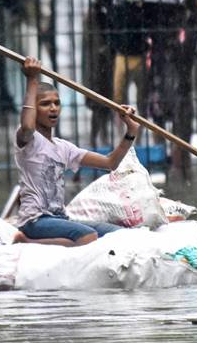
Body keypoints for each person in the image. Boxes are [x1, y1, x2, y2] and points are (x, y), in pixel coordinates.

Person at [14, 56, 141, 246]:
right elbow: (27, 125)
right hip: (35, 221)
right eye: (45, 104)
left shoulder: (63, 148)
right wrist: (32, 79)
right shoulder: (29, 140)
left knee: (120, 234)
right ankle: (26, 240)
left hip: (60, 218)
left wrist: (131, 131)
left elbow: (110, 163)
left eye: (57, 103)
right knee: (88, 237)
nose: (53, 108)